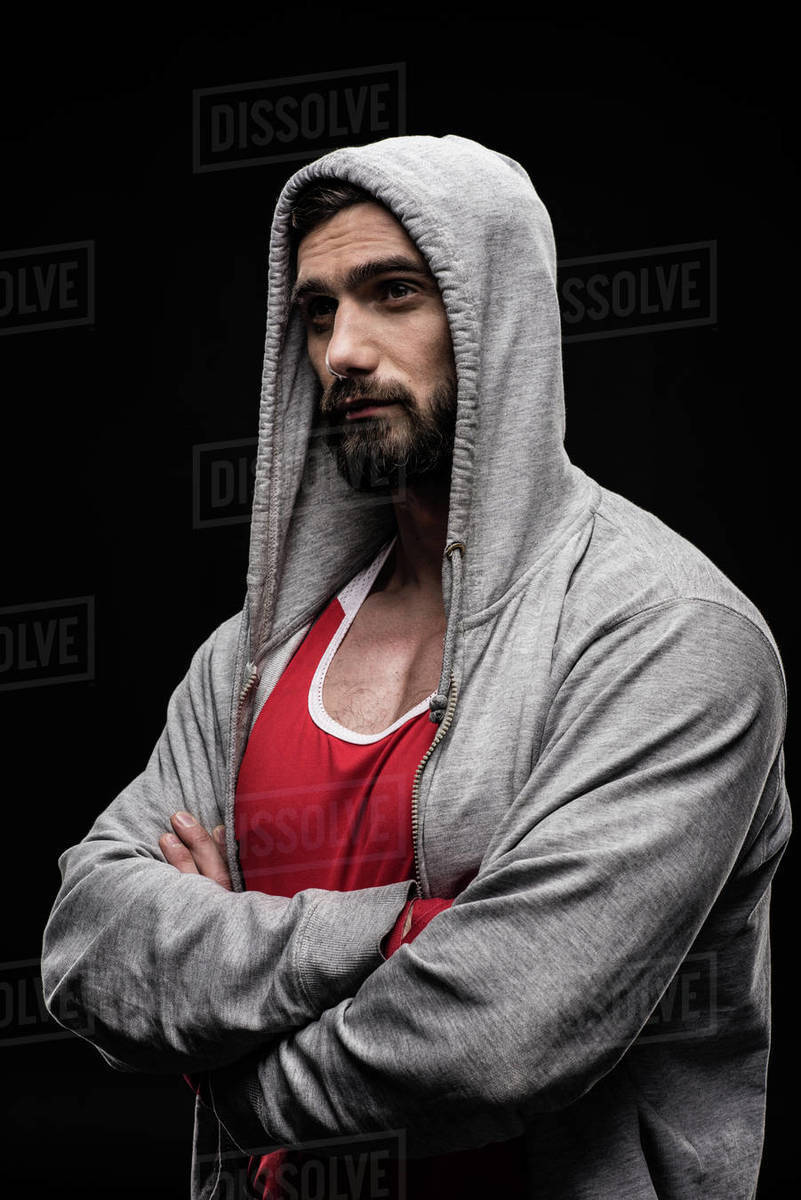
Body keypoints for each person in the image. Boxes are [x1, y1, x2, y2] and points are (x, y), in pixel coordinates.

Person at [41, 134, 790, 1200]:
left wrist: (226, 1056)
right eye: (316, 311)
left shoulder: (669, 636)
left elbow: (499, 1033)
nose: (341, 351)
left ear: (498, 316)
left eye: (394, 293)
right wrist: (403, 934)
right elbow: (88, 946)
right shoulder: (249, 657)